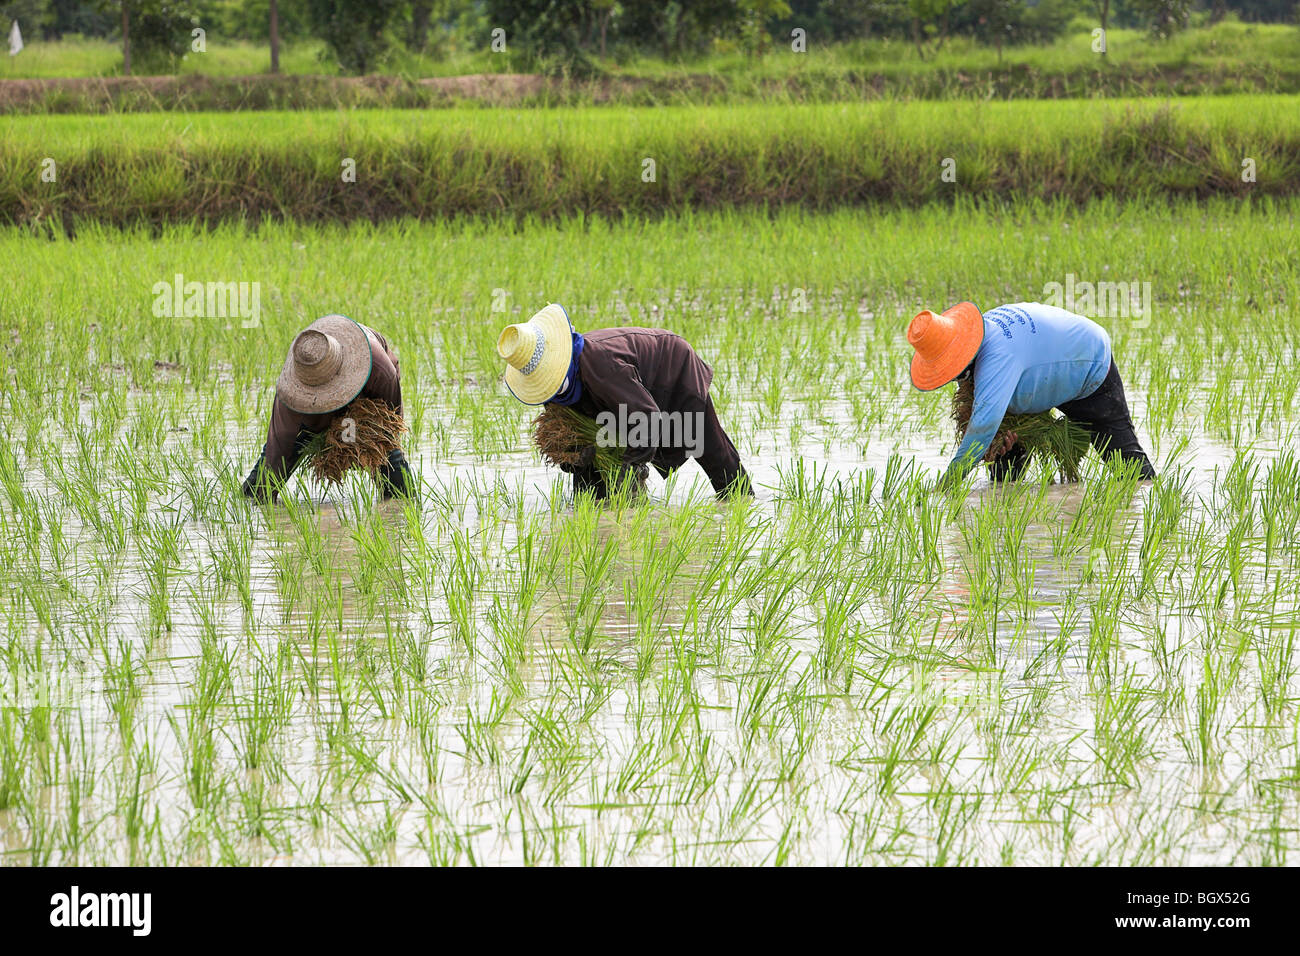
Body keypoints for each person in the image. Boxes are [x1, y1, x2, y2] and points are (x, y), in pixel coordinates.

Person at [498, 303, 752, 500]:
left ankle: (741, 502)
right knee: (592, 473)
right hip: (625, 396)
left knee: (709, 450)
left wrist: (630, 465)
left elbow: (647, 418)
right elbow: (572, 439)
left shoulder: (601, 366)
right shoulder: (553, 389)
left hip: (673, 371)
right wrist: (574, 458)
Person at [907, 301, 1156, 486]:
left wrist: (946, 486)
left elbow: (982, 429)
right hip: (1037, 377)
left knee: (1131, 469)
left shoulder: (996, 358)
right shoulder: (981, 335)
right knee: (1003, 475)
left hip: (1086, 364)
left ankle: (1149, 501)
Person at [242, 314, 415, 502]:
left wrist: (362, 445)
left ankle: (401, 506)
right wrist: (263, 498)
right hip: (313, 413)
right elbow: (279, 446)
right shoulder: (291, 396)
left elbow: (392, 425)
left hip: (369, 397)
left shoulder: (380, 369)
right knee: (268, 474)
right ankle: (248, 500)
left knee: (388, 454)